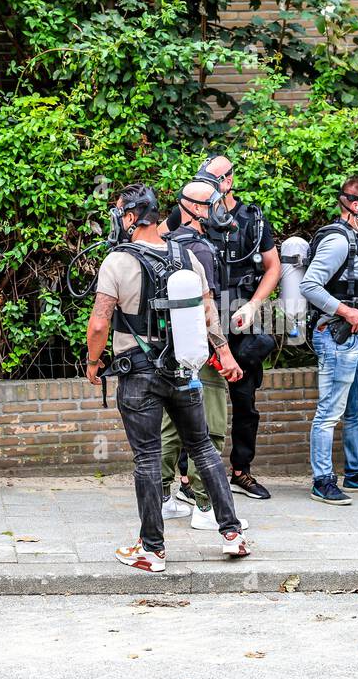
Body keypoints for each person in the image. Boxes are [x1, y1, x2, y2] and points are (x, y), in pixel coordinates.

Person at [86, 183, 249, 572]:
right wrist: (221, 351)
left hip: (138, 375)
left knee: (147, 457)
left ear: (129, 217)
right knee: (203, 449)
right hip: (183, 370)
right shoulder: (187, 257)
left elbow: (98, 323)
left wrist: (93, 362)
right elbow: (208, 314)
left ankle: (153, 550)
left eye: (119, 212)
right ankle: (232, 533)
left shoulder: (118, 261)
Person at [166, 155, 281, 500]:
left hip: (241, 319)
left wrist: (254, 303)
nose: (207, 186)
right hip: (201, 323)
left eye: (213, 179)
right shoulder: (192, 209)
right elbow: (160, 244)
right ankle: (188, 480)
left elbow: (273, 267)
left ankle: (240, 472)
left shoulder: (253, 219)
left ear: (229, 181)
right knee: (194, 400)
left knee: (245, 402)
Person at [301, 177, 358, 505]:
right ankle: (322, 480)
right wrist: (346, 313)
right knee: (329, 411)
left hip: (355, 337)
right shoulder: (339, 241)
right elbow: (310, 285)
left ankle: (355, 472)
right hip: (335, 337)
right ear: (355, 206)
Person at [158, 179, 235, 529]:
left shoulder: (165, 245)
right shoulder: (200, 250)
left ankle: (160, 498)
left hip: (169, 354)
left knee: (171, 428)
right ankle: (206, 508)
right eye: (213, 204)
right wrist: (225, 351)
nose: (221, 209)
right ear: (193, 209)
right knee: (212, 428)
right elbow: (207, 312)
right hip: (200, 353)